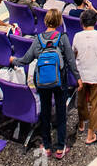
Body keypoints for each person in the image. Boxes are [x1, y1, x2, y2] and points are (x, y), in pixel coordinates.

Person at [8, 9, 78, 158]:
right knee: (61, 112)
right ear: (59, 22)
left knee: (45, 112)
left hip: (42, 81)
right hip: (60, 80)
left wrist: (14, 60)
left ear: (45, 21)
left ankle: (46, 145)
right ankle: (60, 147)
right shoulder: (62, 38)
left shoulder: (38, 39)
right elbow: (71, 60)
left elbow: (26, 59)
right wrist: (78, 77)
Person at [72, 10, 97, 145]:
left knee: (81, 100)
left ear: (82, 22)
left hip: (81, 74)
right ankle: (91, 135)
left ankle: (81, 123)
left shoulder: (77, 36)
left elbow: (75, 53)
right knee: (96, 104)